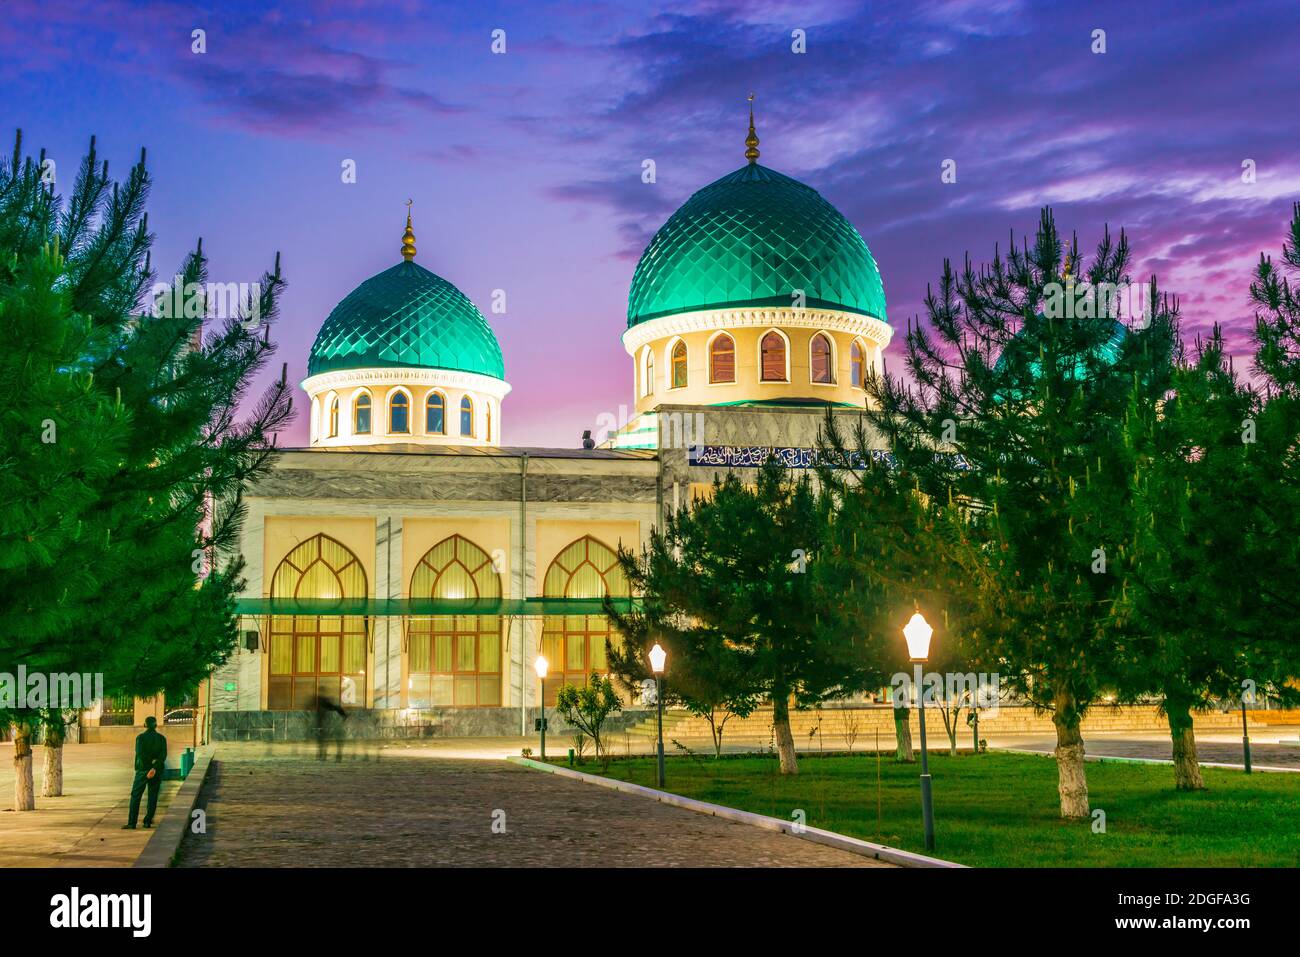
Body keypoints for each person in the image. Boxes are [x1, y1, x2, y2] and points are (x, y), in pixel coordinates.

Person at [123, 715, 167, 829]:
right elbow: (163, 755)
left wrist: (148, 768)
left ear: (145, 725)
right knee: (153, 796)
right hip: (156, 771)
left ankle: (132, 822)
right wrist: (154, 768)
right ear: (156, 725)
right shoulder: (162, 738)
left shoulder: (140, 738)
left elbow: (140, 754)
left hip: (142, 770)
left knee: (136, 796)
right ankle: (147, 821)